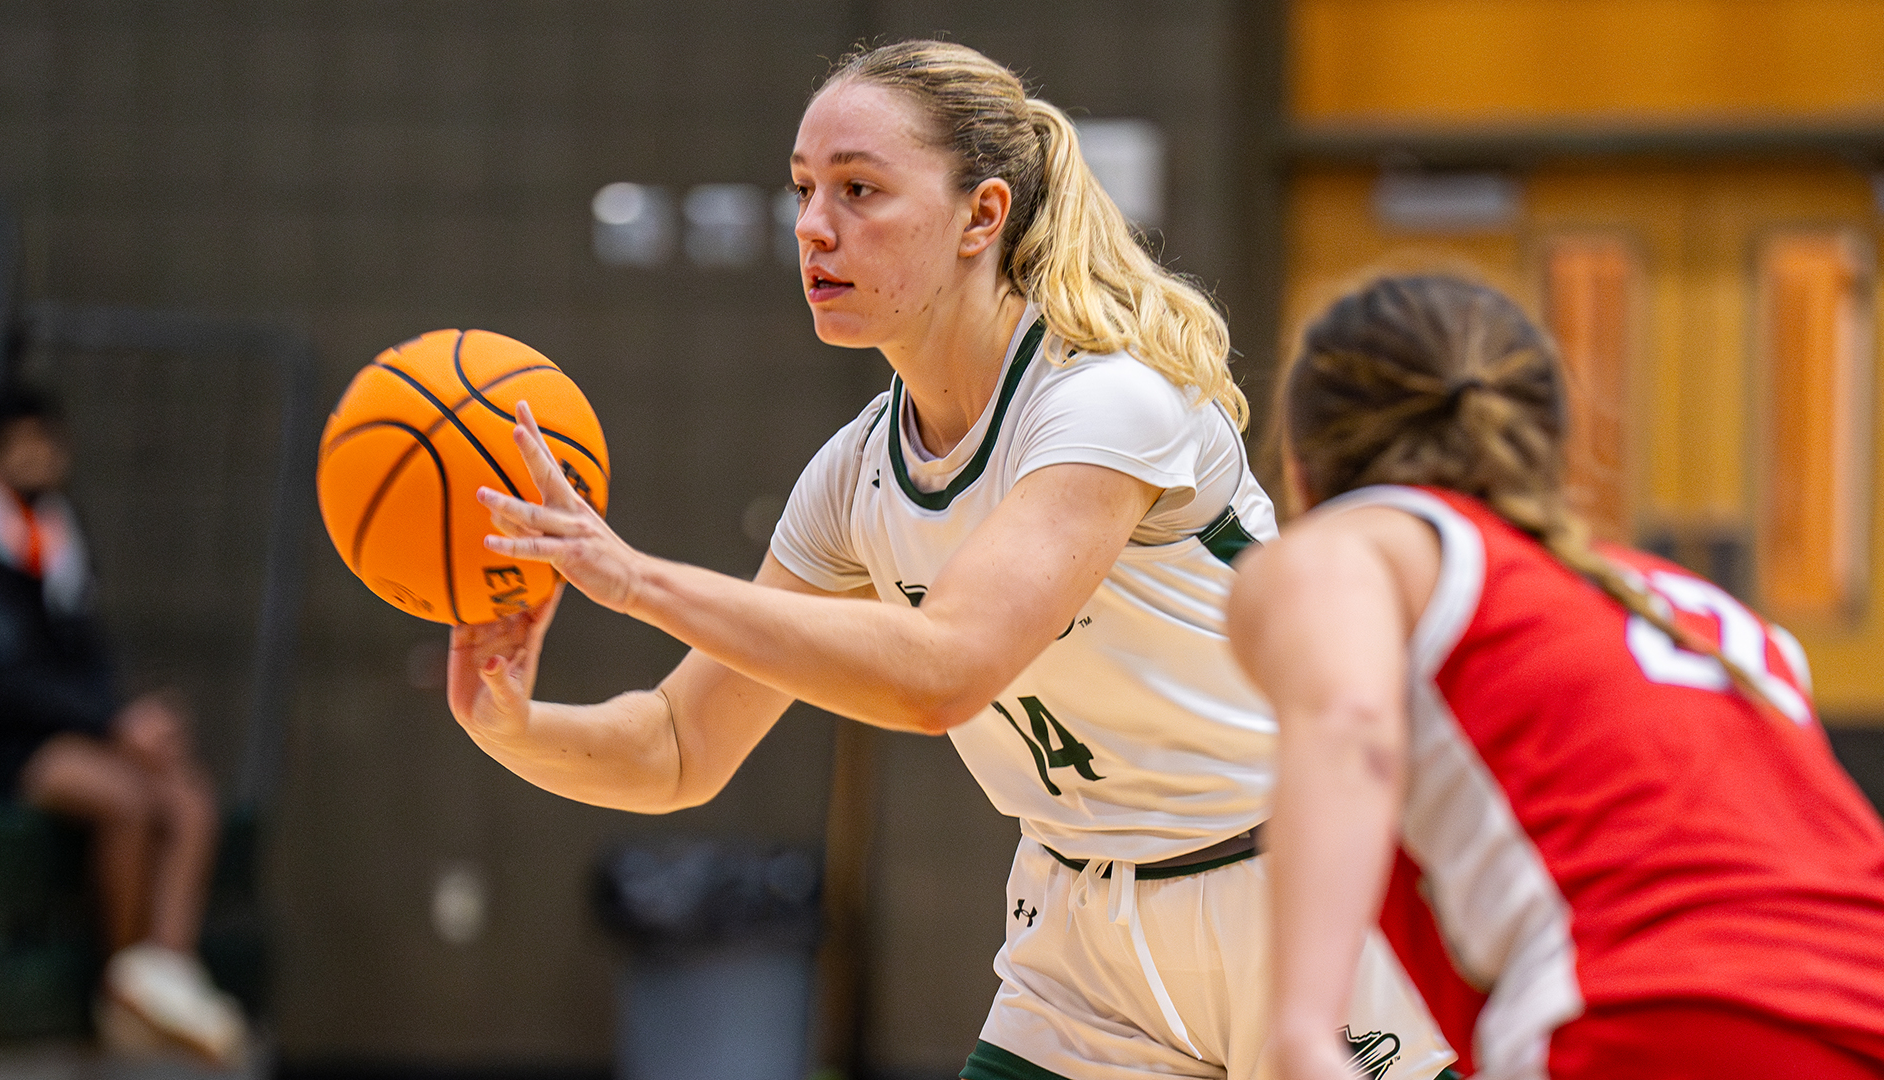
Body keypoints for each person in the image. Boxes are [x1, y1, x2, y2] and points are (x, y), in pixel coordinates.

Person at [448, 40, 1455, 1080]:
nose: (813, 227)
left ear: (982, 216)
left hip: (1300, 882)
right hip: (1082, 934)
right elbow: (676, 747)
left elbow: (943, 670)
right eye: (803, 190)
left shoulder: (1106, 402)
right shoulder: (853, 480)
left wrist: (637, 581)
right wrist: (511, 725)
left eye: (859, 190)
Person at [1227, 274, 1884, 1080]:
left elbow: (1351, 727)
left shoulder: (1357, 547)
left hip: (1654, 1013)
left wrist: (1302, 1037)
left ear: (1302, 463)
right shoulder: (1719, 622)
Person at [0, 385, 248, 1066]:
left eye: (48, 441)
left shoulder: (57, 531)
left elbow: (88, 653)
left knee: (184, 792)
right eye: (23, 443)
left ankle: (165, 973)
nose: (41, 456)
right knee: (125, 800)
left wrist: (132, 721)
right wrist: (112, 722)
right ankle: (122, 982)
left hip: (65, 724)